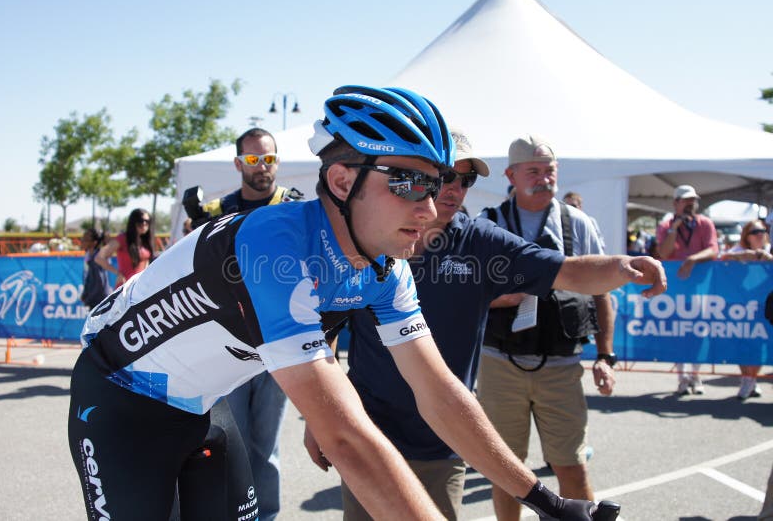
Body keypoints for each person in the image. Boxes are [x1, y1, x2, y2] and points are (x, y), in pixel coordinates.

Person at [68, 85, 665, 521]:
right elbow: (348, 437)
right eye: (407, 182)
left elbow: (442, 395)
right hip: (120, 401)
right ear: (342, 181)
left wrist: (544, 499)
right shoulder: (274, 244)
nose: (430, 207)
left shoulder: (385, 264)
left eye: (435, 184)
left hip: (201, 403)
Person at [327, 128, 650, 521]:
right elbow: (327, 328)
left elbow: (567, 271)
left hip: (443, 440)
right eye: (446, 175)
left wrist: (624, 267)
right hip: (369, 433)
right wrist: (322, 418)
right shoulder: (371, 235)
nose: (455, 188)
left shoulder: (480, 241)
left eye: (467, 179)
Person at [477, 135, 617, 521]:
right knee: (507, 469)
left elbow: (603, 293)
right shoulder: (488, 224)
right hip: (500, 362)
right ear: (511, 175)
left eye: (549, 170)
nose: (544, 179)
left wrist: (606, 356)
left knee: (570, 465)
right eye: (533, 171)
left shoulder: (579, 224)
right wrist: (503, 297)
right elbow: (465, 292)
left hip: (560, 365)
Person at [219, 127, 303, 521]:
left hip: (278, 345)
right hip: (228, 347)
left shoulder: (293, 208)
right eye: (253, 159)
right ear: (238, 163)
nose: (261, 167)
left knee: (265, 448)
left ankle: (265, 516)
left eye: (268, 159)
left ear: (277, 161)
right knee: (229, 444)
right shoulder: (216, 213)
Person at [655, 184, 719, 395]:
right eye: (686, 200)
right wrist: (676, 227)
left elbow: (713, 249)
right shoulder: (665, 226)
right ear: (676, 204)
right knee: (678, 333)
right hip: (675, 292)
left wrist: (693, 259)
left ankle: (695, 374)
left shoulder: (705, 223)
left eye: (693, 200)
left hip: (700, 290)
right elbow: (664, 253)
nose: (691, 204)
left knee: (698, 333)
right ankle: (682, 377)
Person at [720, 219, 772, 399]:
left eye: (763, 231)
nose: (760, 235)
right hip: (741, 306)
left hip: (765, 307)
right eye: (755, 231)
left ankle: (752, 379)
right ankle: (747, 379)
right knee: (742, 343)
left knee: (760, 345)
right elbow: (722, 259)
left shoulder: (769, 251)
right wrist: (741, 257)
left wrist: (769, 260)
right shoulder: (738, 251)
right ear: (746, 236)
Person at [95, 208, 156, 287]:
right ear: (134, 222)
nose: (144, 224)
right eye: (141, 221)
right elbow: (99, 258)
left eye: (147, 221)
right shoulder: (123, 239)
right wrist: (117, 273)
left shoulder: (146, 241)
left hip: (142, 287)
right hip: (126, 287)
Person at [79, 228, 112, 309]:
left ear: (94, 243)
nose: (82, 241)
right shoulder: (90, 256)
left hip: (99, 301)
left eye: (85, 239)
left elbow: (99, 283)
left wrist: (89, 298)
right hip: (95, 300)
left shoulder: (97, 259)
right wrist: (85, 294)